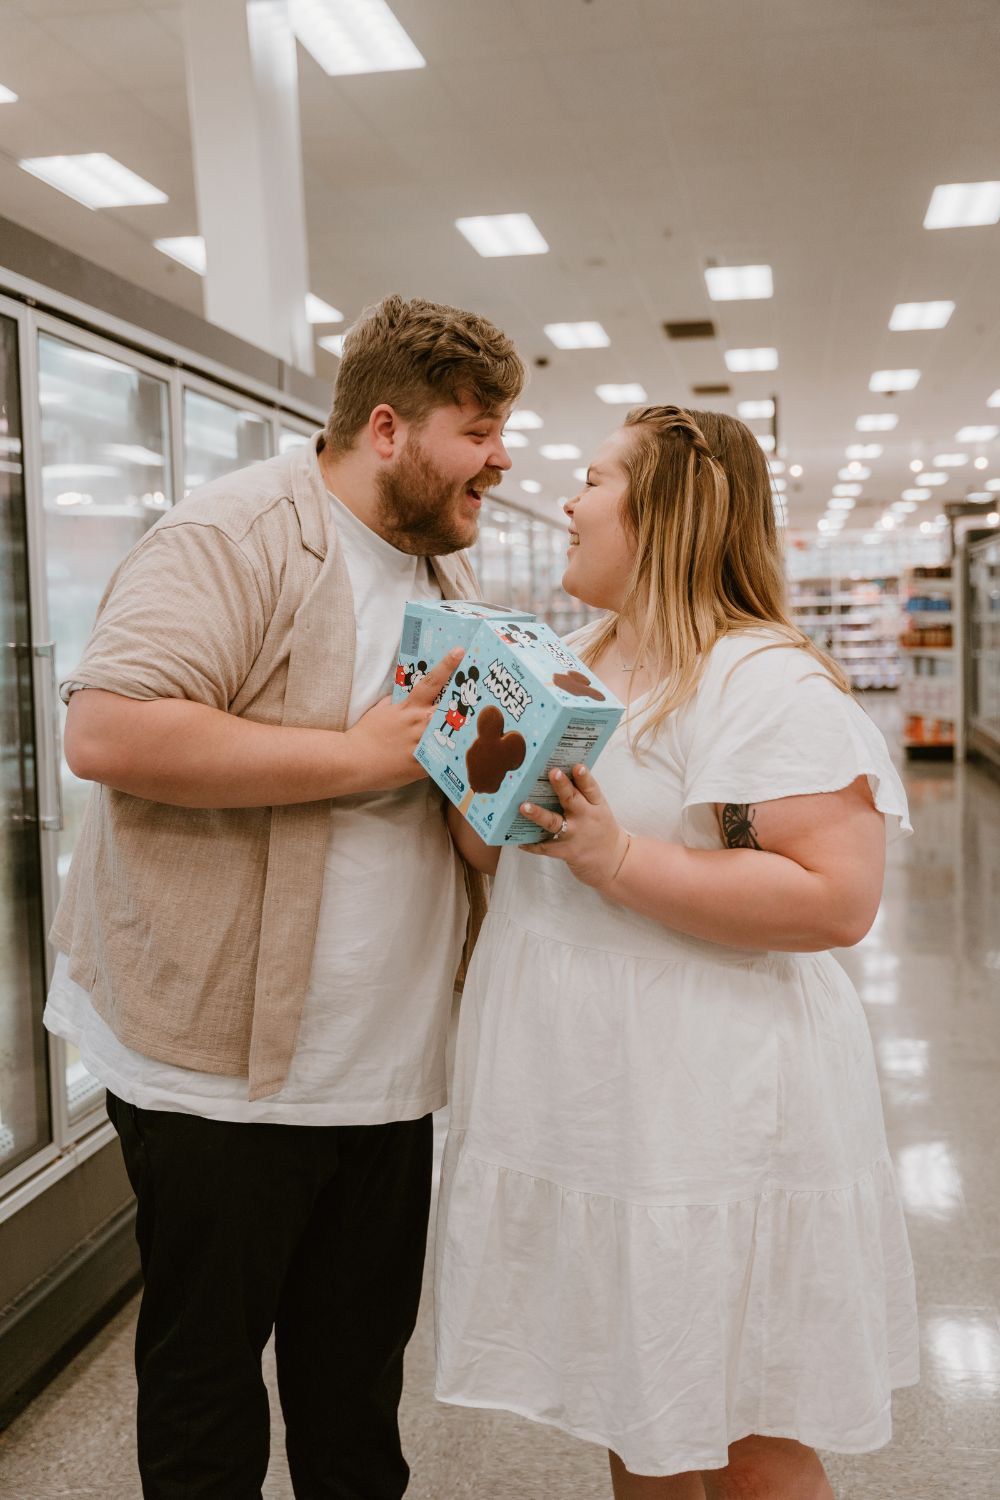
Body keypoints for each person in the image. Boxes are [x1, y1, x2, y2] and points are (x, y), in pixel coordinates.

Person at [44, 293, 524, 1500]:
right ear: (386, 428)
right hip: (219, 1071)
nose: (502, 456)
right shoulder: (236, 533)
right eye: (478, 428)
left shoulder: (439, 569)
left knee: (355, 1394)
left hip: (384, 1071)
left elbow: (444, 785)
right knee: (208, 1395)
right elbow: (107, 729)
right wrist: (361, 758)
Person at [436, 406, 919, 1499]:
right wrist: (465, 747)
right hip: (594, 1101)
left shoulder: (762, 679)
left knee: (747, 1425)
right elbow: (488, 841)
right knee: (635, 1398)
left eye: (594, 480)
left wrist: (617, 859)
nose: (565, 501)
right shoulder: (572, 659)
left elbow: (835, 899)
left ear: (663, 514)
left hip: (713, 1112)